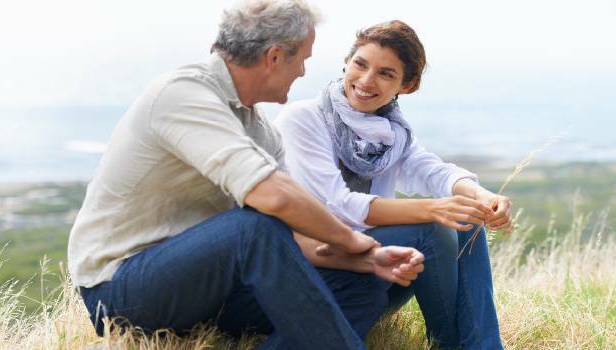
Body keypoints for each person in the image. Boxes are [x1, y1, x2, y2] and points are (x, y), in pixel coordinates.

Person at [67, 2, 425, 349]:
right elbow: (273, 198)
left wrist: (365, 259)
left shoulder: (261, 132)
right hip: (122, 290)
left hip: (210, 288)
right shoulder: (182, 93)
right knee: (252, 227)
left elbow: (294, 239)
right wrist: (353, 241)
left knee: (361, 285)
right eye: (302, 59)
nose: (303, 71)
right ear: (274, 57)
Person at [274, 20, 513, 349]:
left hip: (378, 271)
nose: (366, 80)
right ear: (346, 61)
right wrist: (432, 209)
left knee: (467, 218)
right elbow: (335, 205)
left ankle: (484, 345)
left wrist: (482, 197)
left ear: (408, 85)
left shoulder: (390, 133)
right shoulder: (302, 119)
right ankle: (453, 344)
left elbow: (433, 172)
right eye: (360, 64)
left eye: (386, 74)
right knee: (431, 226)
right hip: (319, 273)